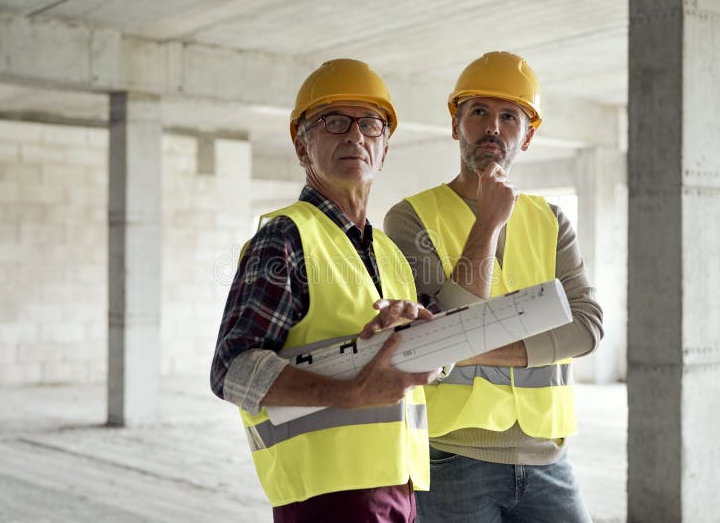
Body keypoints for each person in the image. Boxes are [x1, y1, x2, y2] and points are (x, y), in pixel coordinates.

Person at [210, 58, 438, 522]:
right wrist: (349, 393)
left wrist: (422, 338)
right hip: (326, 499)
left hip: (401, 487)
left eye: (371, 124)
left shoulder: (390, 252)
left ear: (385, 149)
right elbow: (232, 369)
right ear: (302, 145)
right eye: (335, 122)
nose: (356, 135)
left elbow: (408, 368)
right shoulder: (286, 238)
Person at [383, 51, 604, 522]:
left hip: (548, 456)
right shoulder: (410, 218)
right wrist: (486, 223)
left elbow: (587, 329)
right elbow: (434, 337)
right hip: (453, 458)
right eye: (478, 112)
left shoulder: (551, 220)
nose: (493, 127)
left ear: (528, 135)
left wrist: (464, 349)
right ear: (455, 125)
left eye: (509, 116)